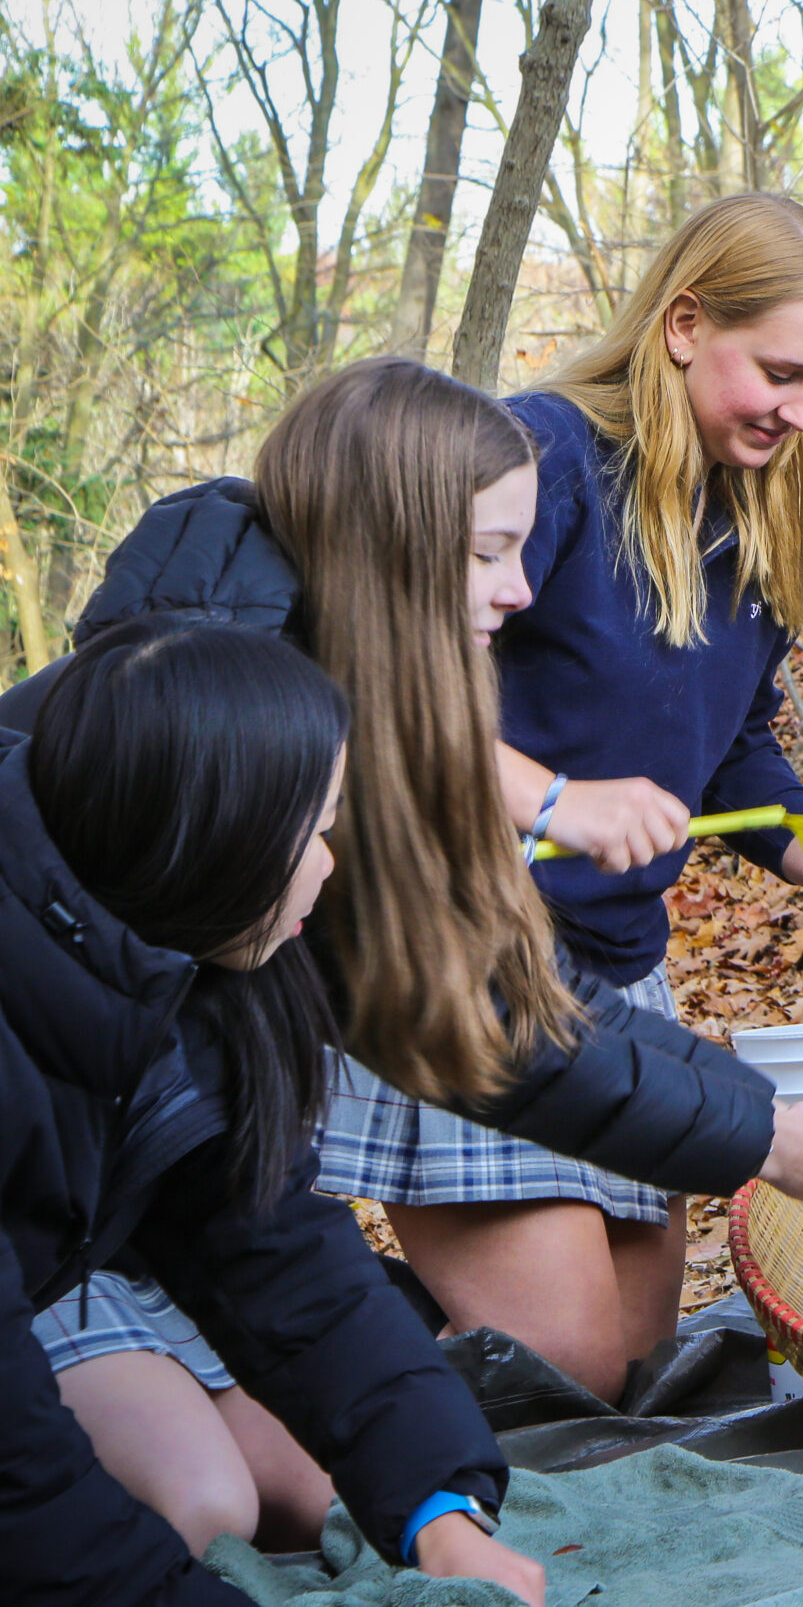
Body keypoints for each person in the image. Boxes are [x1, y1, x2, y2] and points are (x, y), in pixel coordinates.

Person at [6, 355, 803, 1411]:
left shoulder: (337, 685)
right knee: (220, 1495)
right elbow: (474, 1021)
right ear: (392, 551)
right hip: (70, 1214)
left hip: (149, 1191)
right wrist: (771, 1137)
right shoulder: (243, 737)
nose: (522, 589)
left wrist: (771, 1117)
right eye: (490, 553)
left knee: (584, 1367)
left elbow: (522, 997)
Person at [3, 619, 540, 1606]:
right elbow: (25, 1499)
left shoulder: (186, 970)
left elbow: (273, 1248)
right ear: (213, 837)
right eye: (317, 827)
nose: (331, 865)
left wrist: (440, 1512)